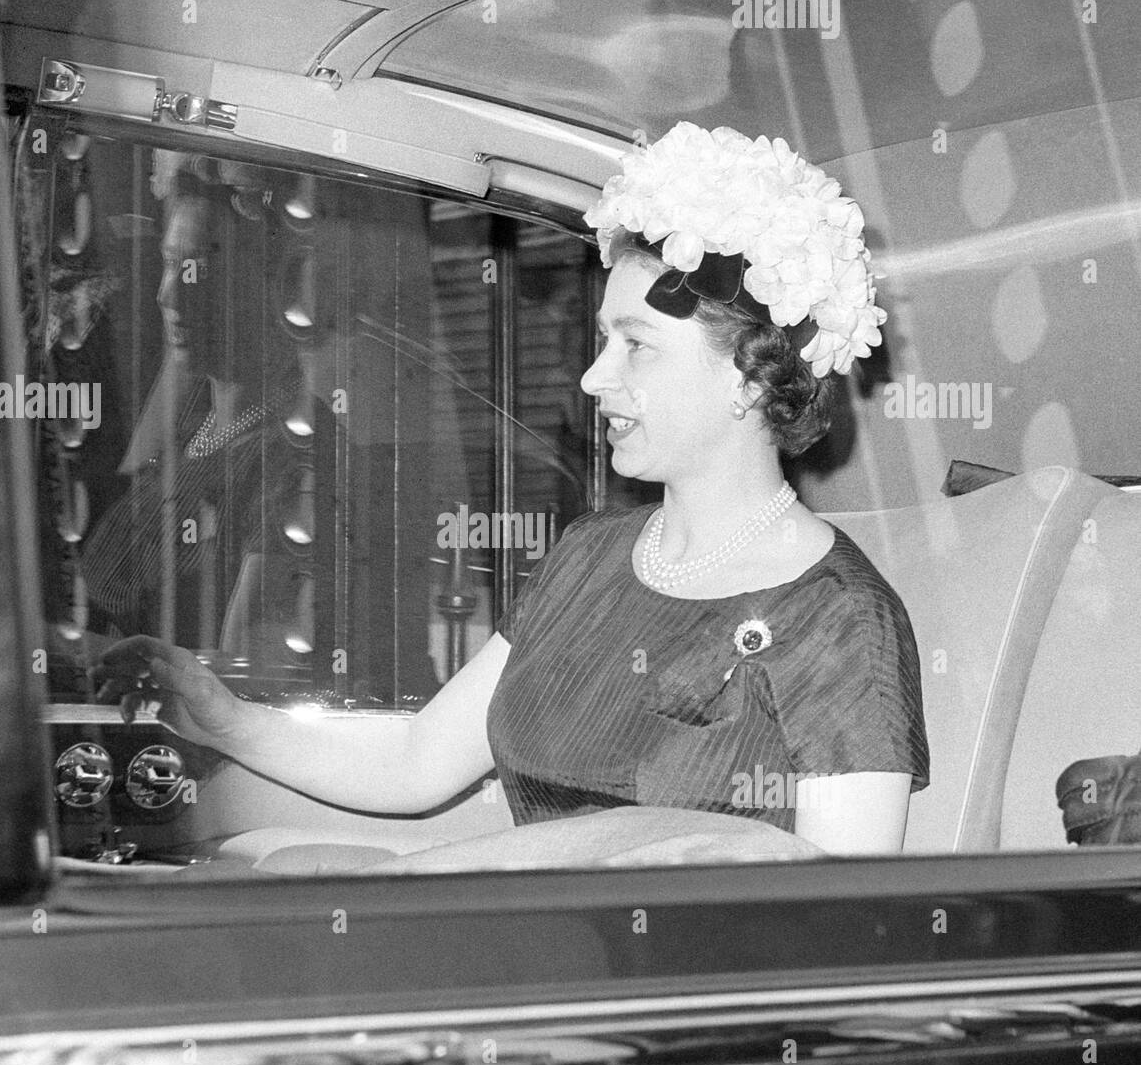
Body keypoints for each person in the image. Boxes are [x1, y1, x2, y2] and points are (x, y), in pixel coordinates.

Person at [93, 123, 929, 857]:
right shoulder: (585, 558)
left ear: (750, 377)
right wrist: (228, 720)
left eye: (635, 346)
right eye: (602, 338)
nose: (594, 376)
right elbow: (419, 761)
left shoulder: (841, 620)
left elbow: (832, 923)